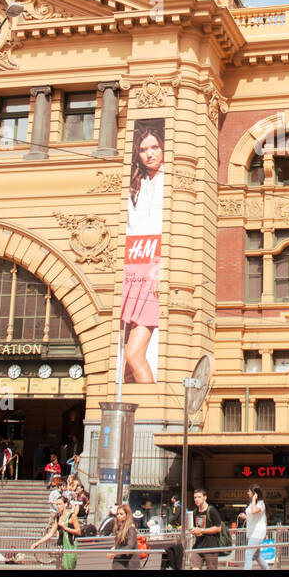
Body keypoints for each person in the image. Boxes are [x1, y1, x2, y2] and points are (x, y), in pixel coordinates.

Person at [121, 121, 165, 384]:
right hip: (131, 269)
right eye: (143, 149)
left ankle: (149, 410)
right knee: (125, 366)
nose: (150, 154)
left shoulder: (168, 182)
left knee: (133, 355)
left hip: (151, 271)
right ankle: (131, 414)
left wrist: (161, 270)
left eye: (155, 147)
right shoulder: (136, 184)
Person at [32, 494, 79, 570]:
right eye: (57, 504)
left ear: (66, 505)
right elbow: (51, 533)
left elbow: (77, 531)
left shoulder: (71, 517)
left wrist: (65, 528)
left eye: (60, 504)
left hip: (69, 548)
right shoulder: (58, 517)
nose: (57, 506)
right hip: (60, 547)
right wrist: (37, 543)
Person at [190, 487, 224, 569]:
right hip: (197, 546)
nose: (196, 499)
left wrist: (202, 530)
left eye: (199, 497)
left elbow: (218, 528)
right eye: (195, 497)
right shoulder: (195, 511)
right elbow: (197, 526)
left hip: (210, 547)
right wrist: (193, 530)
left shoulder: (212, 510)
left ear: (205, 497)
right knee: (194, 568)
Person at [238, 484, 268, 570]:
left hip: (258, 532)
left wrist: (254, 499)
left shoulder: (260, 503)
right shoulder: (253, 503)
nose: (247, 493)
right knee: (257, 556)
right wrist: (245, 517)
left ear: (255, 493)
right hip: (251, 531)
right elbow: (253, 515)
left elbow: (254, 511)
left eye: (249, 491)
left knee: (248, 554)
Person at [107, 501, 140, 570]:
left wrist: (115, 553)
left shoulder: (131, 528)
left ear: (127, 515)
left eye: (121, 514)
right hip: (120, 561)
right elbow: (118, 543)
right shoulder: (120, 527)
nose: (118, 516)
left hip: (128, 563)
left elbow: (130, 545)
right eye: (117, 514)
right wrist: (112, 549)